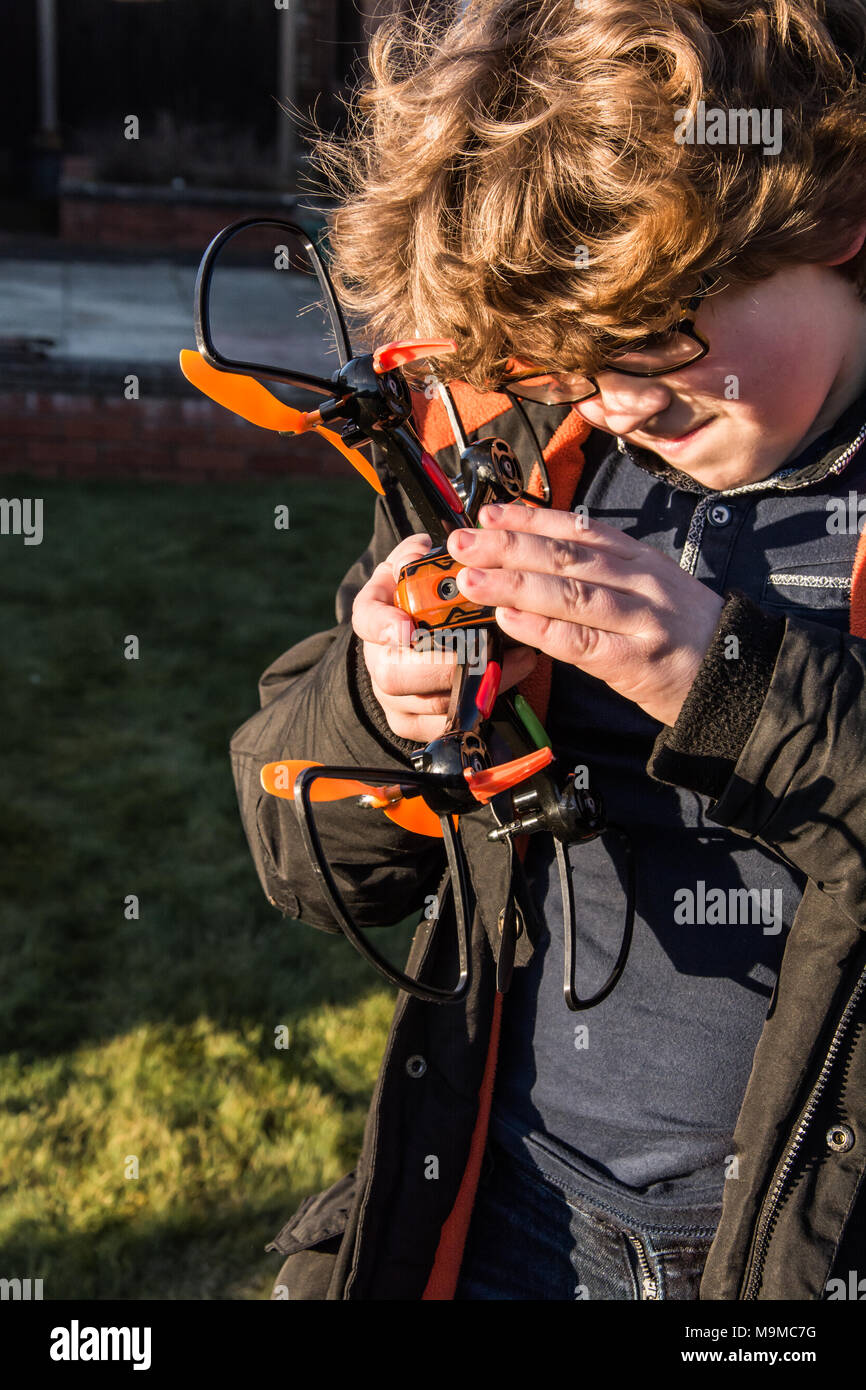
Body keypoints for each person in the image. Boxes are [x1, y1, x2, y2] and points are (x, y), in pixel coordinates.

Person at [230, 0, 866, 1299]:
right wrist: (377, 708)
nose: (618, 397)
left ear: (833, 215)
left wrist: (737, 693)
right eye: (571, 351)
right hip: (505, 1208)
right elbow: (299, 851)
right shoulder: (522, 449)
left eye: (659, 322)